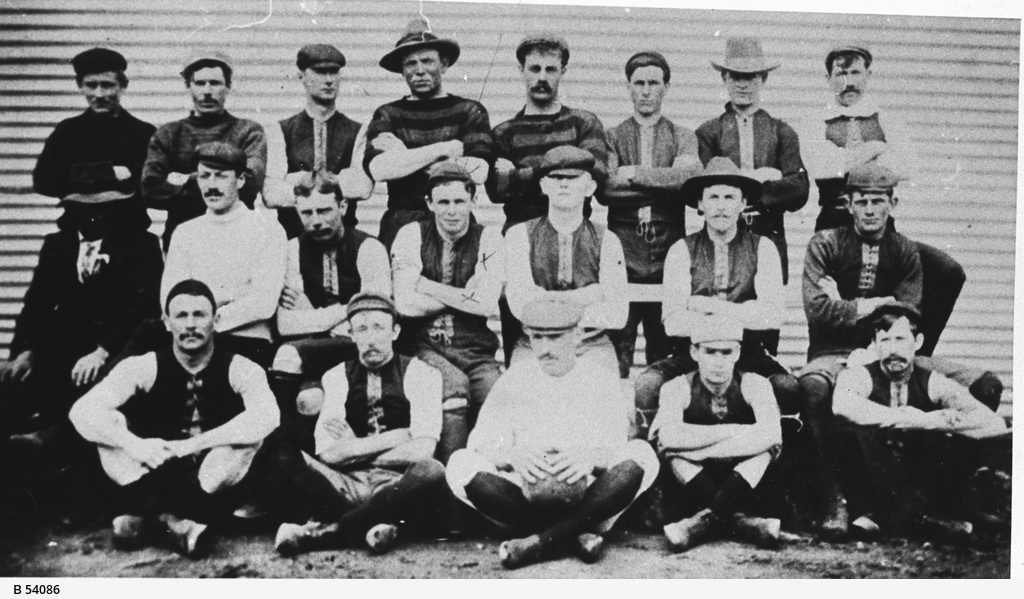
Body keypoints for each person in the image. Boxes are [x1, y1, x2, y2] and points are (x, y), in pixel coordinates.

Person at [68, 280, 284, 557]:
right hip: (157, 477)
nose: (190, 324)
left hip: (214, 480)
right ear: (167, 322)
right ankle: (174, 524)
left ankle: (155, 522)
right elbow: (82, 411)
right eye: (181, 316)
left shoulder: (241, 368)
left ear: (215, 320)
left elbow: (269, 416)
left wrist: (192, 445)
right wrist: (135, 444)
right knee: (108, 432)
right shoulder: (143, 366)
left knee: (248, 439)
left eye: (200, 315)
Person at [446, 296, 659, 569]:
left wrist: (590, 457)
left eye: (556, 337)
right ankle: (572, 535)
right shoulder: (514, 379)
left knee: (642, 454)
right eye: (537, 338)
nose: (546, 348)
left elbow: (616, 449)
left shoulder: (599, 379)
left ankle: (537, 541)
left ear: (577, 335)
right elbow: (481, 445)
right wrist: (512, 455)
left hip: (587, 496)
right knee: (459, 463)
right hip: (523, 496)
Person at [799, 44, 964, 356]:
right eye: (840, 73)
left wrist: (854, 158)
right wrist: (876, 149)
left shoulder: (887, 119)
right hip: (835, 223)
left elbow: (908, 166)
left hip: (882, 227)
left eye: (855, 72)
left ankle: (915, 352)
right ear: (828, 79)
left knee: (945, 270)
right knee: (831, 300)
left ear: (869, 76)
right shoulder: (814, 122)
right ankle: (824, 366)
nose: (848, 81)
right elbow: (824, 167)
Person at [798, 161, 922, 539]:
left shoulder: (904, 252)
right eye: (861, 202)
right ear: (847, 205)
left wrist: (849, 306)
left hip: (884, 351)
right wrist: (875, 304)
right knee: (814, 387)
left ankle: (910, 502)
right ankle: (832, 498)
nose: (869, 210)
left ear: (893, 203)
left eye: (878, 201)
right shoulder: (825, 244)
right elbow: (817, 310)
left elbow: (907, 315)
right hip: (831, 350)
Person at [633, 157, 797, 441]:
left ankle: (781, 471)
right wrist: (743, 312)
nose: (721, 205)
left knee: (787, 386)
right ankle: (652, 465)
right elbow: (673, 323)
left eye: (730, 197)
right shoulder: (681, 250)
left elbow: (771, 317)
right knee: (647, 384)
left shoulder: (764, 248)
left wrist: (707, 306)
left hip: (748, 353)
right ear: (700, 204)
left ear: (743, 203)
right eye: (713, 197)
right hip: (692, 353)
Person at [273, 293, 449, 556]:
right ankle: (374, 523)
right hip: (345, 484)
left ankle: (329, 532)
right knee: (281, 454)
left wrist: (355, 448)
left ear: (395, 331)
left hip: (397, 483)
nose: (371, 337)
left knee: (431, 471)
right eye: (362, 329)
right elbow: (329, 453)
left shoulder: (422, 374)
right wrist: (398, 437)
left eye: (379, 327)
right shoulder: (335, 377)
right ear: (351, 334)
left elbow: (422, 450)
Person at [1, 164, 162, 447]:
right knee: (12, 380)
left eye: (103, 207)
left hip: (117, 344)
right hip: (63, 344)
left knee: (100, 387)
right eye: (84, 207)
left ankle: (54, 436)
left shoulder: (141, 245)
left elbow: (144, 307)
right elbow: (37, 303)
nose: (94, 215)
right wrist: (24, 350)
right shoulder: (57, 244)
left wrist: (101, 352)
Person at [832, 303, 1009, 542]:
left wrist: (934, 423)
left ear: (918, 342)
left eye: (900, 339)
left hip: (919, 475)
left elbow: (993, 423)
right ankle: (909, 519)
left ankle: (916, 516)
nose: (893, 350)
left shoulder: (933, 382)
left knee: (954, 438)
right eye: (884, 341)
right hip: (874, 478)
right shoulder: (860, 375)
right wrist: (913, 416)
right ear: (874, 345)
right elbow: (842, 405)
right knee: (851, 433)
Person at [391, 161, 504, 463]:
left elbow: (486, 303)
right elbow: (404, 303)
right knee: (453, 387)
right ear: (429, 203)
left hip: (475, 350)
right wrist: (465, 293)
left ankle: (482, 482)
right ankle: (444, 484)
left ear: (473, 200)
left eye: (459, 201)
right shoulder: (410, 234)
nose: (451, 210)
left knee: (495, 392)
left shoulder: (490, 238)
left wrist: (426, 284)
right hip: (421, 346)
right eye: (443, 202)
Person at [601, 51, 703, 378]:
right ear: (628, 88)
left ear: (666, 87)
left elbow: (688, 183)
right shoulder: (612, 136)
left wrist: (634, 173)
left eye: (654, 83)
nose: (646, 91)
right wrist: (664, 179)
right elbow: (607, 190)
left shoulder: (683, 136)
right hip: (624, 256)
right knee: (617, 351)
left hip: (667, 255)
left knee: (664, 357)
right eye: (639, 83)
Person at [652, 316, 783, 552]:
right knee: (674, 453)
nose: (719, 361)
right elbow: (669, 437)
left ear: (737, 353)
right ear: (694, 352)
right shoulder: (676, 387)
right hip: (694, 484)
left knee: (764, 452)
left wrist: (696, 445)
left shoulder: (755, 384)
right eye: (710, 351)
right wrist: (735, 432)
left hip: (743, 482)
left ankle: (698, 524)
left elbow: (772, 434)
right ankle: (744, 524)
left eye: (726, 352)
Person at [364, 17, 494, 249]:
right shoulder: (388, 114)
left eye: (427, 61)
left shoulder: (469, 111)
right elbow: (379, 169)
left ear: (443, 64)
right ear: (402, 71)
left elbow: (479, 171)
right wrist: (444, 149)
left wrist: (405, 155)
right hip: (401, 224)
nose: (420, 70)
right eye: (411, 63)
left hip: (456, 224)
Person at [160, 142, 287, 368]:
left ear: (240, 180)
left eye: (220, 176)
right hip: (191, 343)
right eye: (204, 176)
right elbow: (170, 298)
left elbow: (264, 303)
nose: (211, 185)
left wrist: (204, 321)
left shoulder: (267, 228)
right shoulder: (185, 232)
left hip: (247, 342)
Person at [503, 146, 627, 373]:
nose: (563, 183)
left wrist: (545, 300)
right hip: (536, 342)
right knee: (519, 390)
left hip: (590, 343)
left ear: (590, 187)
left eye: (572, 177)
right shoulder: (518, 235)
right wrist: (589, 295)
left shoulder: (607, 240)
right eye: (555, 177)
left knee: (604, 391)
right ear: (543, 185)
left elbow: (617, 314)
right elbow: (520, 305)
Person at [695, 37, 808, 285]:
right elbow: (701, 190)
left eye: (751, 77)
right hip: (720, 239)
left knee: (767, 313)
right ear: (724, 78)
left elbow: (799, 190)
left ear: (763, 79)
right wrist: (761, 177)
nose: (743, 85)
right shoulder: (709, 133)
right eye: (736, 76)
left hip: (768, 235)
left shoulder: (782, 131)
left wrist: (744, 190)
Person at [141, 50, 267, 250]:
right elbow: (151, 189)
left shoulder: (247, 131)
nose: (207, 91)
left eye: (215, 83)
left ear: (229, 87)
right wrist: (223, 178)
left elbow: (250, 184)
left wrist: (180, 178)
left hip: (237, 237)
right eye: (199, 83)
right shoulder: (169, 133)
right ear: (188, 87)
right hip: (183, 240)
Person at [32, 47, 155, 232]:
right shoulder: (67, 131)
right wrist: (105, 173)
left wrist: (77, 178)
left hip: (129, 234)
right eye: (91, 85)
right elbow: (43, 180)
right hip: (77, 231)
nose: (99, 94)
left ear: (123, 86)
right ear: (80, 86)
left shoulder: (142, 132)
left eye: (107, 85)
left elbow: (149, 182)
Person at [263, 44, 374, 239]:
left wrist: (292, 180)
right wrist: (336, 182)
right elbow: (271, 193)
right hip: (293, 238)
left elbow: (363, 188)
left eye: (334, 72)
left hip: (344, 238)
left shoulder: (358, 131)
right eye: (320, 72)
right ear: (302, 77)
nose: (329, 80)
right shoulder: (280, 130)